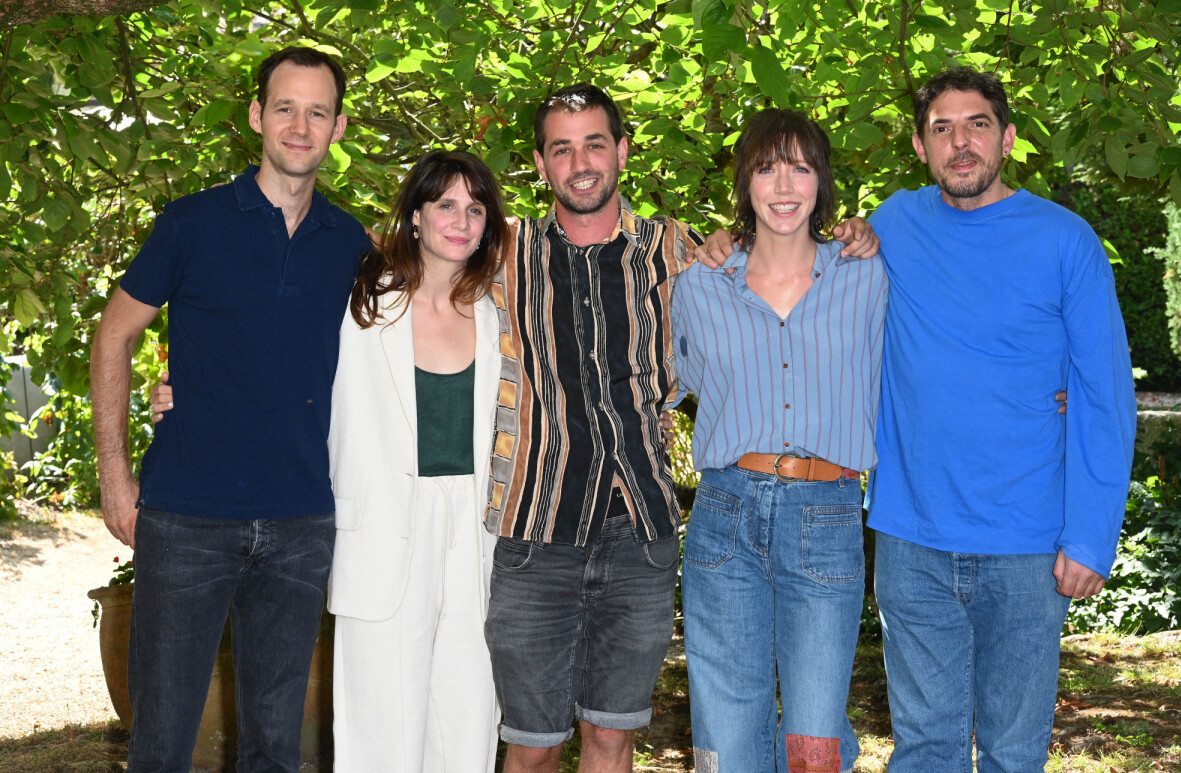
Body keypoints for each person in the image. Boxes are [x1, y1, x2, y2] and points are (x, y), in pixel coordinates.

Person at [693, 66, 1136, 772]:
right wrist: (728, 243)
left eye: (977, 125)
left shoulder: (1066, 241)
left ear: (1009, 138)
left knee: (1014, 752)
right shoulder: (892, 226)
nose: (960, 143)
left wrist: (1090, 535)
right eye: (942, 129)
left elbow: (1104, 395)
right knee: (926, 748)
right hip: (912, 540)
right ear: (920, 145)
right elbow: (798, 264)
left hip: (1028, 543)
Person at [481, 84, 880, 773]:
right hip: (540, 525)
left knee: (623, 737)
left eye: (596, 143)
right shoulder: (504, 252)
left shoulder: (686, 255)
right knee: (536, 743)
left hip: (646, 529)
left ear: (623, 151)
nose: (581, 162)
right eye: (562, 148)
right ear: (541, 164)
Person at [90, 47, 368, 772]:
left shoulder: (354, 246)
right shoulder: (192, 223)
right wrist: (116, 476)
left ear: (338, 127)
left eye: (317, 112)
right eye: (285, 108)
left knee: (275, 749)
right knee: (160, 742)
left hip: (302, 521)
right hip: (187, 517)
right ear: (256, 117)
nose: (299, 126)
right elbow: (114, 335)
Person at [671, 108, 887, 773]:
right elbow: (658, 385)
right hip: (725, 514)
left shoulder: (867, 275)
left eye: (801, 166)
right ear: (745, 181)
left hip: (826, 515)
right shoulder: (700, 283)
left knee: (813, 746)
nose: (784, 184)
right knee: (727, 738)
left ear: (822, 181)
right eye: (767, 167)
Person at [324, 150, 508, 772]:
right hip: (383, 529)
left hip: (475, 533)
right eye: (446, 205)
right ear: (417, 216)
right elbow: (279, 372)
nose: (461, 221)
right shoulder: (358, 307)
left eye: (475, 208)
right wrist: (186, 393)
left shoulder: (498, 314)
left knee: (467, 718)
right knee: (380, 726)